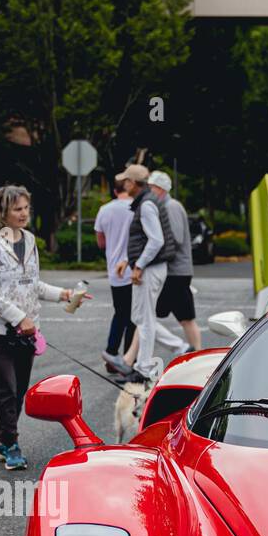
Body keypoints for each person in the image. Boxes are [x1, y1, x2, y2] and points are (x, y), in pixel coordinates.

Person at [0, 185, 89, 470]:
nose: (24, 214)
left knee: (19, 391)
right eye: (17, 209)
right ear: (2, 212)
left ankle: (3, 441)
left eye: (26, 208)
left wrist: (64, 294)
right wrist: (17, 317)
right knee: (6, 390)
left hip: (26, 330)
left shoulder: (30, 240)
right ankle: (11, 445)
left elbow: (33, 284)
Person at [102, 163, 177, 385]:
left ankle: (144, 368)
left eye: (125, 181)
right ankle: (175, 348)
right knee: (140, 318)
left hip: (151, 268)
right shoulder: (146, 202)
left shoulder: (145, 205)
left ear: (133, 183)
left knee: (143, 320)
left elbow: (156, 241)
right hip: (150, 267)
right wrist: (129, 261)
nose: (123, 184)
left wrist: (138, 265)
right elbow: (148, 240)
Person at [149, 171, 200, 351]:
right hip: (176, 272)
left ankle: (192, 351)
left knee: (146, 317)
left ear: (161, 189)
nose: (149, 191)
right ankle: (196, 353)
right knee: (185, 318)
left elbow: (176, 238)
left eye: (152, 187)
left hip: (175, 272)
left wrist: (153, 245)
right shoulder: (167, 206)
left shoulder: (170, 207)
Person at [93, 180, 135, 360]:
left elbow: (101, 243)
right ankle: (128, 357)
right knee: (134, 317)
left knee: (120, 313)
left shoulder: (104, 210)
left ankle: (111, 351)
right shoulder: (138, 208)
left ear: (114, 190)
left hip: (115, 271)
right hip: (135, 269)